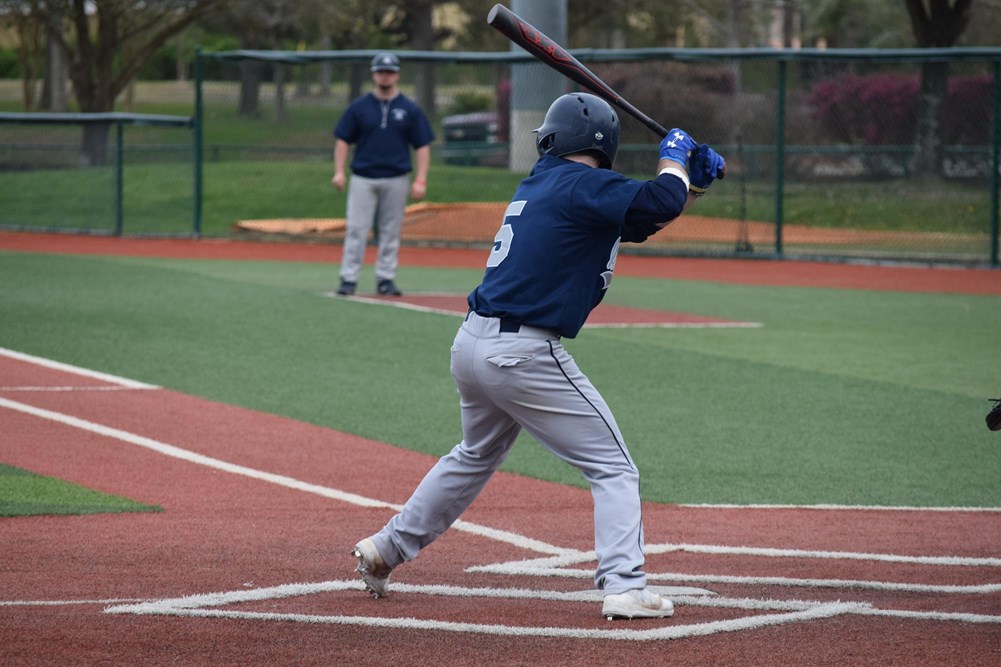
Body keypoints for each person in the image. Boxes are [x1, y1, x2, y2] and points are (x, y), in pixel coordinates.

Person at [352, 92, 726, 620]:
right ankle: (624, 584)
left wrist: (691, 179)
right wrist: (674, 157)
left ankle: (385, 549)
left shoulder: (552, 183)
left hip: (473, 344)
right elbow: (654, 201)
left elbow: (645, 215)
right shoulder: (581, 184)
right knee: (614, 467)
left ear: (558, 137)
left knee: (474, 454)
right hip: (521, 352)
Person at [331, 52, 435, 297]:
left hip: (396, 177)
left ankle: (385, 279)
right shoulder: (359, 107)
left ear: (397, 74)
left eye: (389, 71)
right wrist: (339, 172)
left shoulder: (409, 109)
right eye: (380, 71)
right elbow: (342, 140)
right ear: (374, 74)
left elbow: (422, 146)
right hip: (363, 177)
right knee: (356, 229)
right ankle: (348, 279)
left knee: (391, 230)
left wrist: (421, 179)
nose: (385, 76)